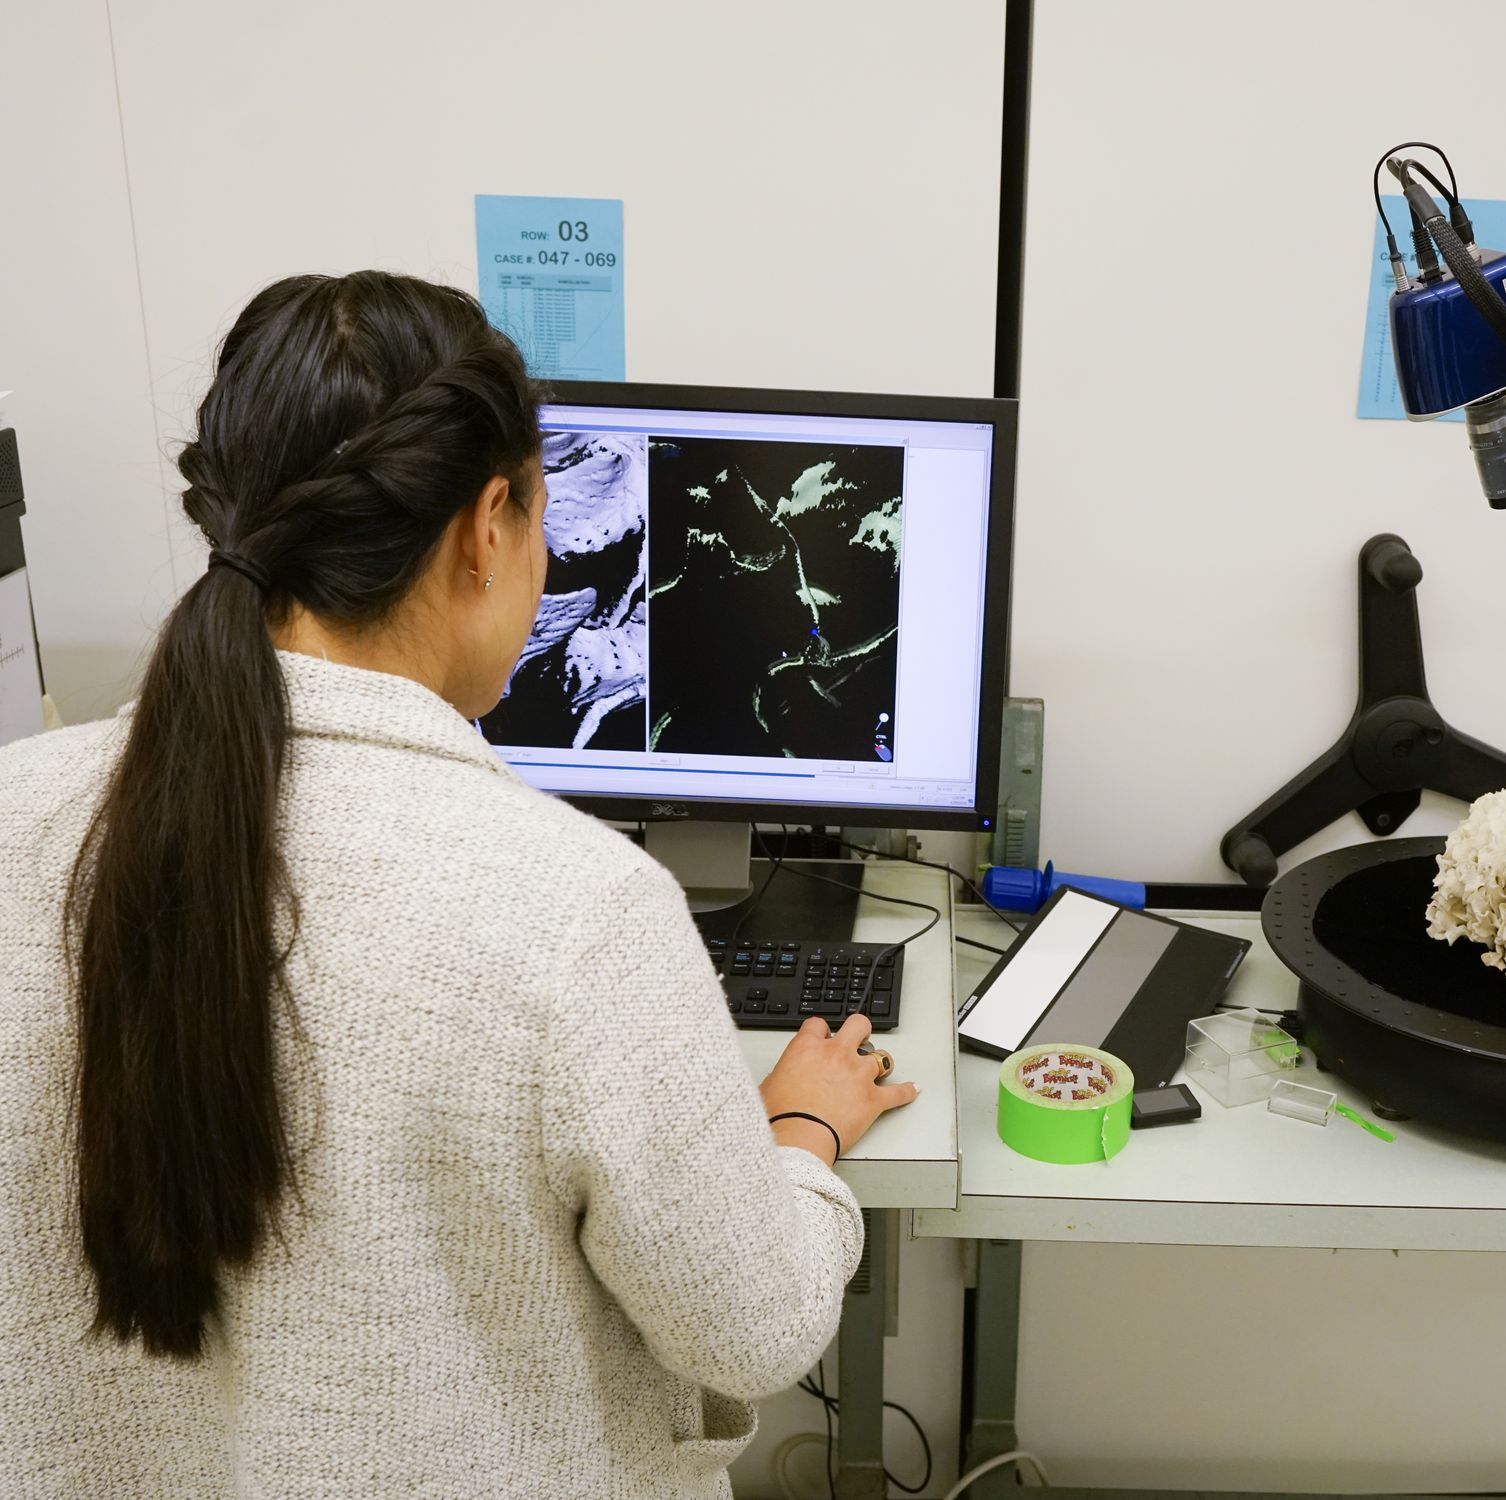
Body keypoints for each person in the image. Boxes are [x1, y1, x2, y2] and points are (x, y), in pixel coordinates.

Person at [0, 271, 917, 1498]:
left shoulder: (17, 813)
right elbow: (746, 1335)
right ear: (488, 525)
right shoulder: (577, 908)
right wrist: (797, 1136)